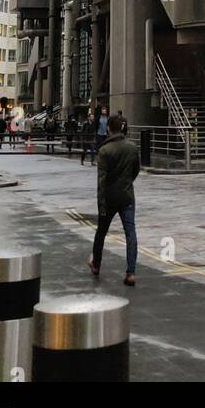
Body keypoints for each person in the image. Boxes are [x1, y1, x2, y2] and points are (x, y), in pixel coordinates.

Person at [88, 115, 140, 286]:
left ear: (109, 129)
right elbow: (135, 171)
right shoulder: (132, 148)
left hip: (109, 197)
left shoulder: (105, 151)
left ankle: (96, 265)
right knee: (130, 233)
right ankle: (130, 272)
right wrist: (126, 183)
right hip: (127, 196)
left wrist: (101, 203)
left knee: (101, 232)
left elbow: (101, 181)